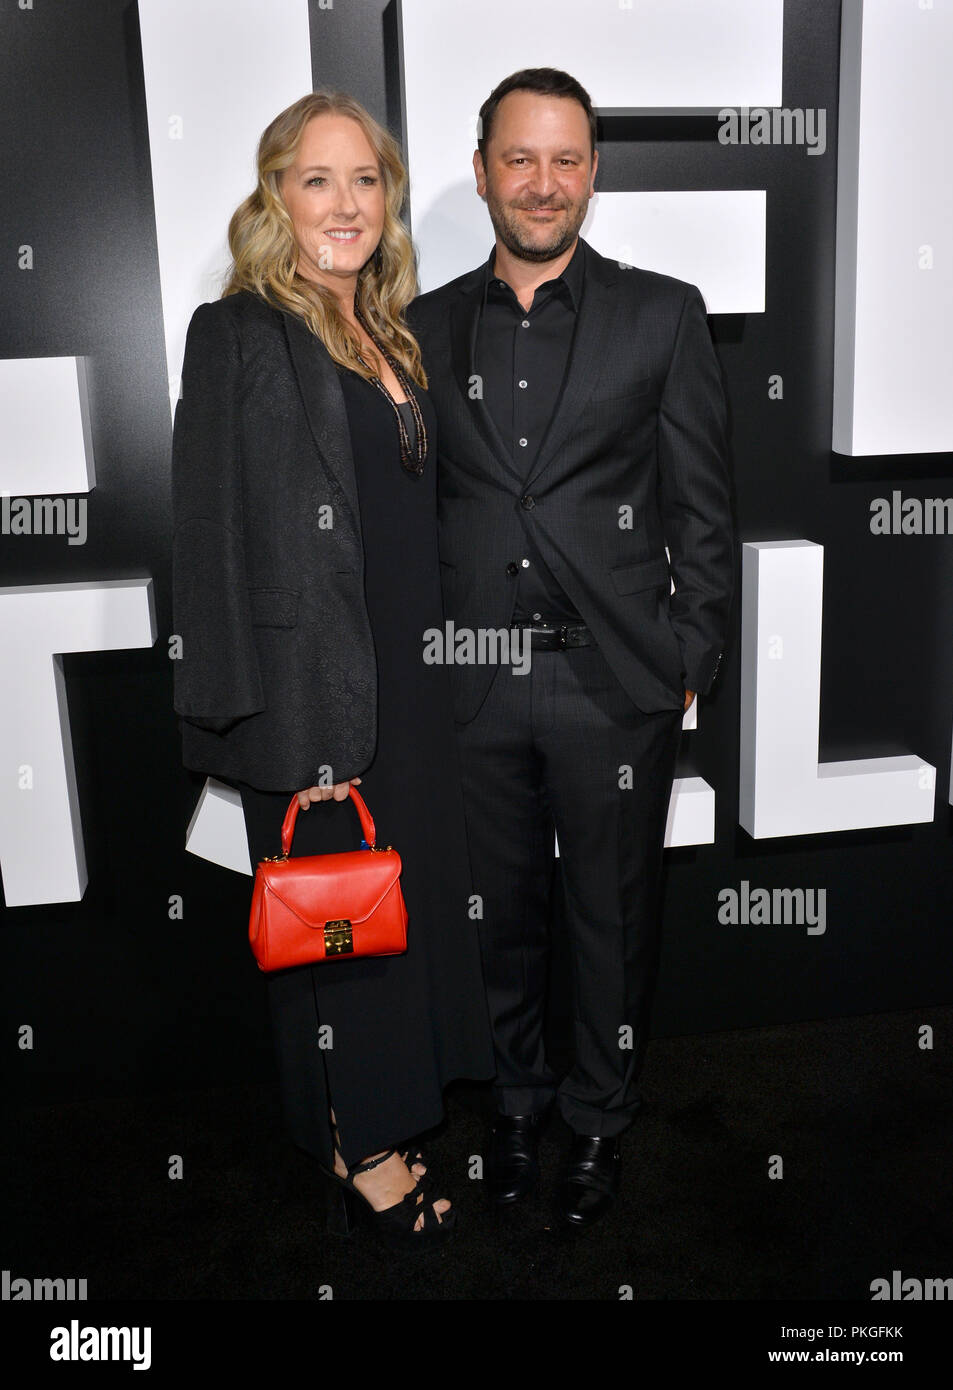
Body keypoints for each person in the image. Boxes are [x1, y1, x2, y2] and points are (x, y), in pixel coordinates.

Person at [407, 68, 735, 1229]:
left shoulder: (663, 312)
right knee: (492, 916)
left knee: (610, 919)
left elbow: (703, 512)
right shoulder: (419, 328)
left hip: (614, 687)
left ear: (591, 170)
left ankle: (597, 1115)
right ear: (484, 165)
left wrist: (685, 656)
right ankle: (515, 1096)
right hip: (472, 685)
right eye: (518, 158)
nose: (541, 183)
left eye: (564, 159)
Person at [171, 90, 495, 1251]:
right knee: (337, 931)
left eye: (365, 180)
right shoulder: (243, 332)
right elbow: (208, 547)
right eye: (318, 179)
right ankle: (361, 1148)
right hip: (314, 697)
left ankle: (397, 1111)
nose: (345, 203)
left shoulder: (388, 331)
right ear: (276, 195)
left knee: (391, 920)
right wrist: (263, 730)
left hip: (408, 685)